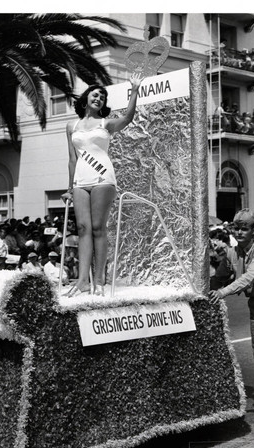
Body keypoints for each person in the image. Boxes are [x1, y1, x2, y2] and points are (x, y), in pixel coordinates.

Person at [61, 72, 144, 297]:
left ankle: (99, 280)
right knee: (83, 229)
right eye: (95, 95)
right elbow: (72, 159)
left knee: (98, 228)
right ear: (86, 97)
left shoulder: (106, 123)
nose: (98, 99)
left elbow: (127, 118)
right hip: (80, 180)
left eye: (102, 97)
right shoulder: (72, 126)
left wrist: (134, 91)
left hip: (102, 178)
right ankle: (82, 281)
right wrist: (69, 189)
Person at [209, 209, 254, 369]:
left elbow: (249, 278)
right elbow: (218, 278)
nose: (239, 232)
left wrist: (222, 293)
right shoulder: (232, 253)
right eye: (236, 228)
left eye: (244, 229)